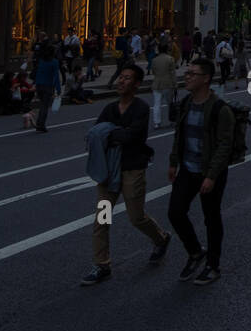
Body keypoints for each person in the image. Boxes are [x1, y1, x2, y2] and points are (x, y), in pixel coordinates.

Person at [82, 64, 171, 286]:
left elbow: (134, 137)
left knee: (136, 217)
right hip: (108, 172)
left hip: (133, 169)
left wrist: (111, 134)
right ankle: (102, 265)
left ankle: (161, 238)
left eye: (127, 78)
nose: (121, 81)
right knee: (102, 218)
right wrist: (116, 134)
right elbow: (95, 134)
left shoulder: (140, 108)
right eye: (120, 77)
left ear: (137, 84)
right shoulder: (110, 109)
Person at [166, 57, 235, 285]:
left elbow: (225, 145)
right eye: (187, 73)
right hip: (187, 168)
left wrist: (212, 175)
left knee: (211, 218)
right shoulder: (186, 103)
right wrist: (173, 161)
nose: (187, 76)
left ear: (206, 79)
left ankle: (213, 265)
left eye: (192, 74)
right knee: (175, 212)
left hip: (209, 171)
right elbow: (179, 135)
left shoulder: (219, 108)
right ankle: (195, 251)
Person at [32, 44, 62, 133]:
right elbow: (56, 76)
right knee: (44, 106)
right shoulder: (54, 62)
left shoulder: (42, 61)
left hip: (39, 84)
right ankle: (41, 125)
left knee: (42, 104)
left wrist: (35, 84)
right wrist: (58, 89)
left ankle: (39, 123)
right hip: (48, 85)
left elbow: (38, 73)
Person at [150, 43, 177, 128]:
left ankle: (157, 122)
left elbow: (153, 72)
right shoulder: (170, 59)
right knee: (170, 103)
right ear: (167, 49)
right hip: (168, 83)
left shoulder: (154, 60)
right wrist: (175, 84)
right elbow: (173, 73)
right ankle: (172, 120)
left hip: (156, 83)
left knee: (157, 104)